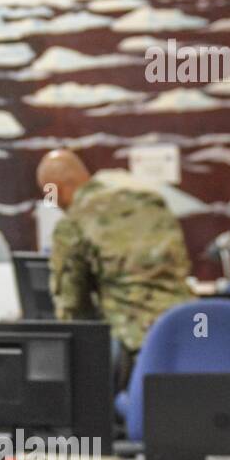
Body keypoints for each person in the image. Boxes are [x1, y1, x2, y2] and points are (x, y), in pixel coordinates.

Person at [35, 149, 192, 387]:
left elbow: (72, 309)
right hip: (190, 333)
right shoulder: (150, 202)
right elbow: (181, 265)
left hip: (135, 348)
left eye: (49, 193)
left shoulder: (73, 223)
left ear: (59, 187)